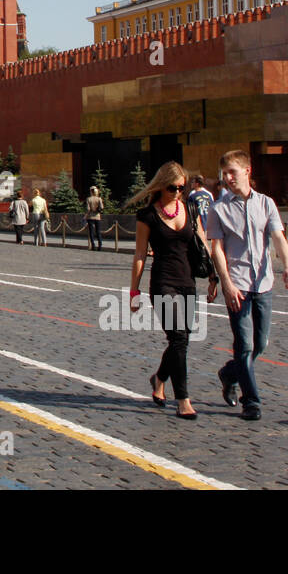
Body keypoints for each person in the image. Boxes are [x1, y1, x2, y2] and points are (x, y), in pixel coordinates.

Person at [206, 150, 288, 421]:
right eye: (225, 174)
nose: (228, 178)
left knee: (260, 344)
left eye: (232, 172)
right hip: (238, 285)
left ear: (247, 171)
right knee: (244, 345)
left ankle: (229, 373)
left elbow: (278, 238)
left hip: (263, 283)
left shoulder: (266, 203)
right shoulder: (218, 208)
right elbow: (217, 249)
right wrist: (226, 283)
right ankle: (251, 401)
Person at [127, 161, 204, 420]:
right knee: (179, 338)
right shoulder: (147, 216)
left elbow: (202, 241)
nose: (178, 192)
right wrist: (134, 292)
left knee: (181, 339)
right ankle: (183, 399)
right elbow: (140, 255)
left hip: (188, 282)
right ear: (161, 186)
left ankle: (159, 378)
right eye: (173, 187)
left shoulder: (190, 208)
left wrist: (215, 277)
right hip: (162, 283)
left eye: (182, 187)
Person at [85, 186, 104, 251]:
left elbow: (88, 209)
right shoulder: (99, 199)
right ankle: (100, 245)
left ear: (91, 191)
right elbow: (101, 207)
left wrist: (85, 216)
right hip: (97, 216)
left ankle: (93, 245)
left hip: (90, 216)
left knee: (91, 232)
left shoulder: (88, 199)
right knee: (98, 231)